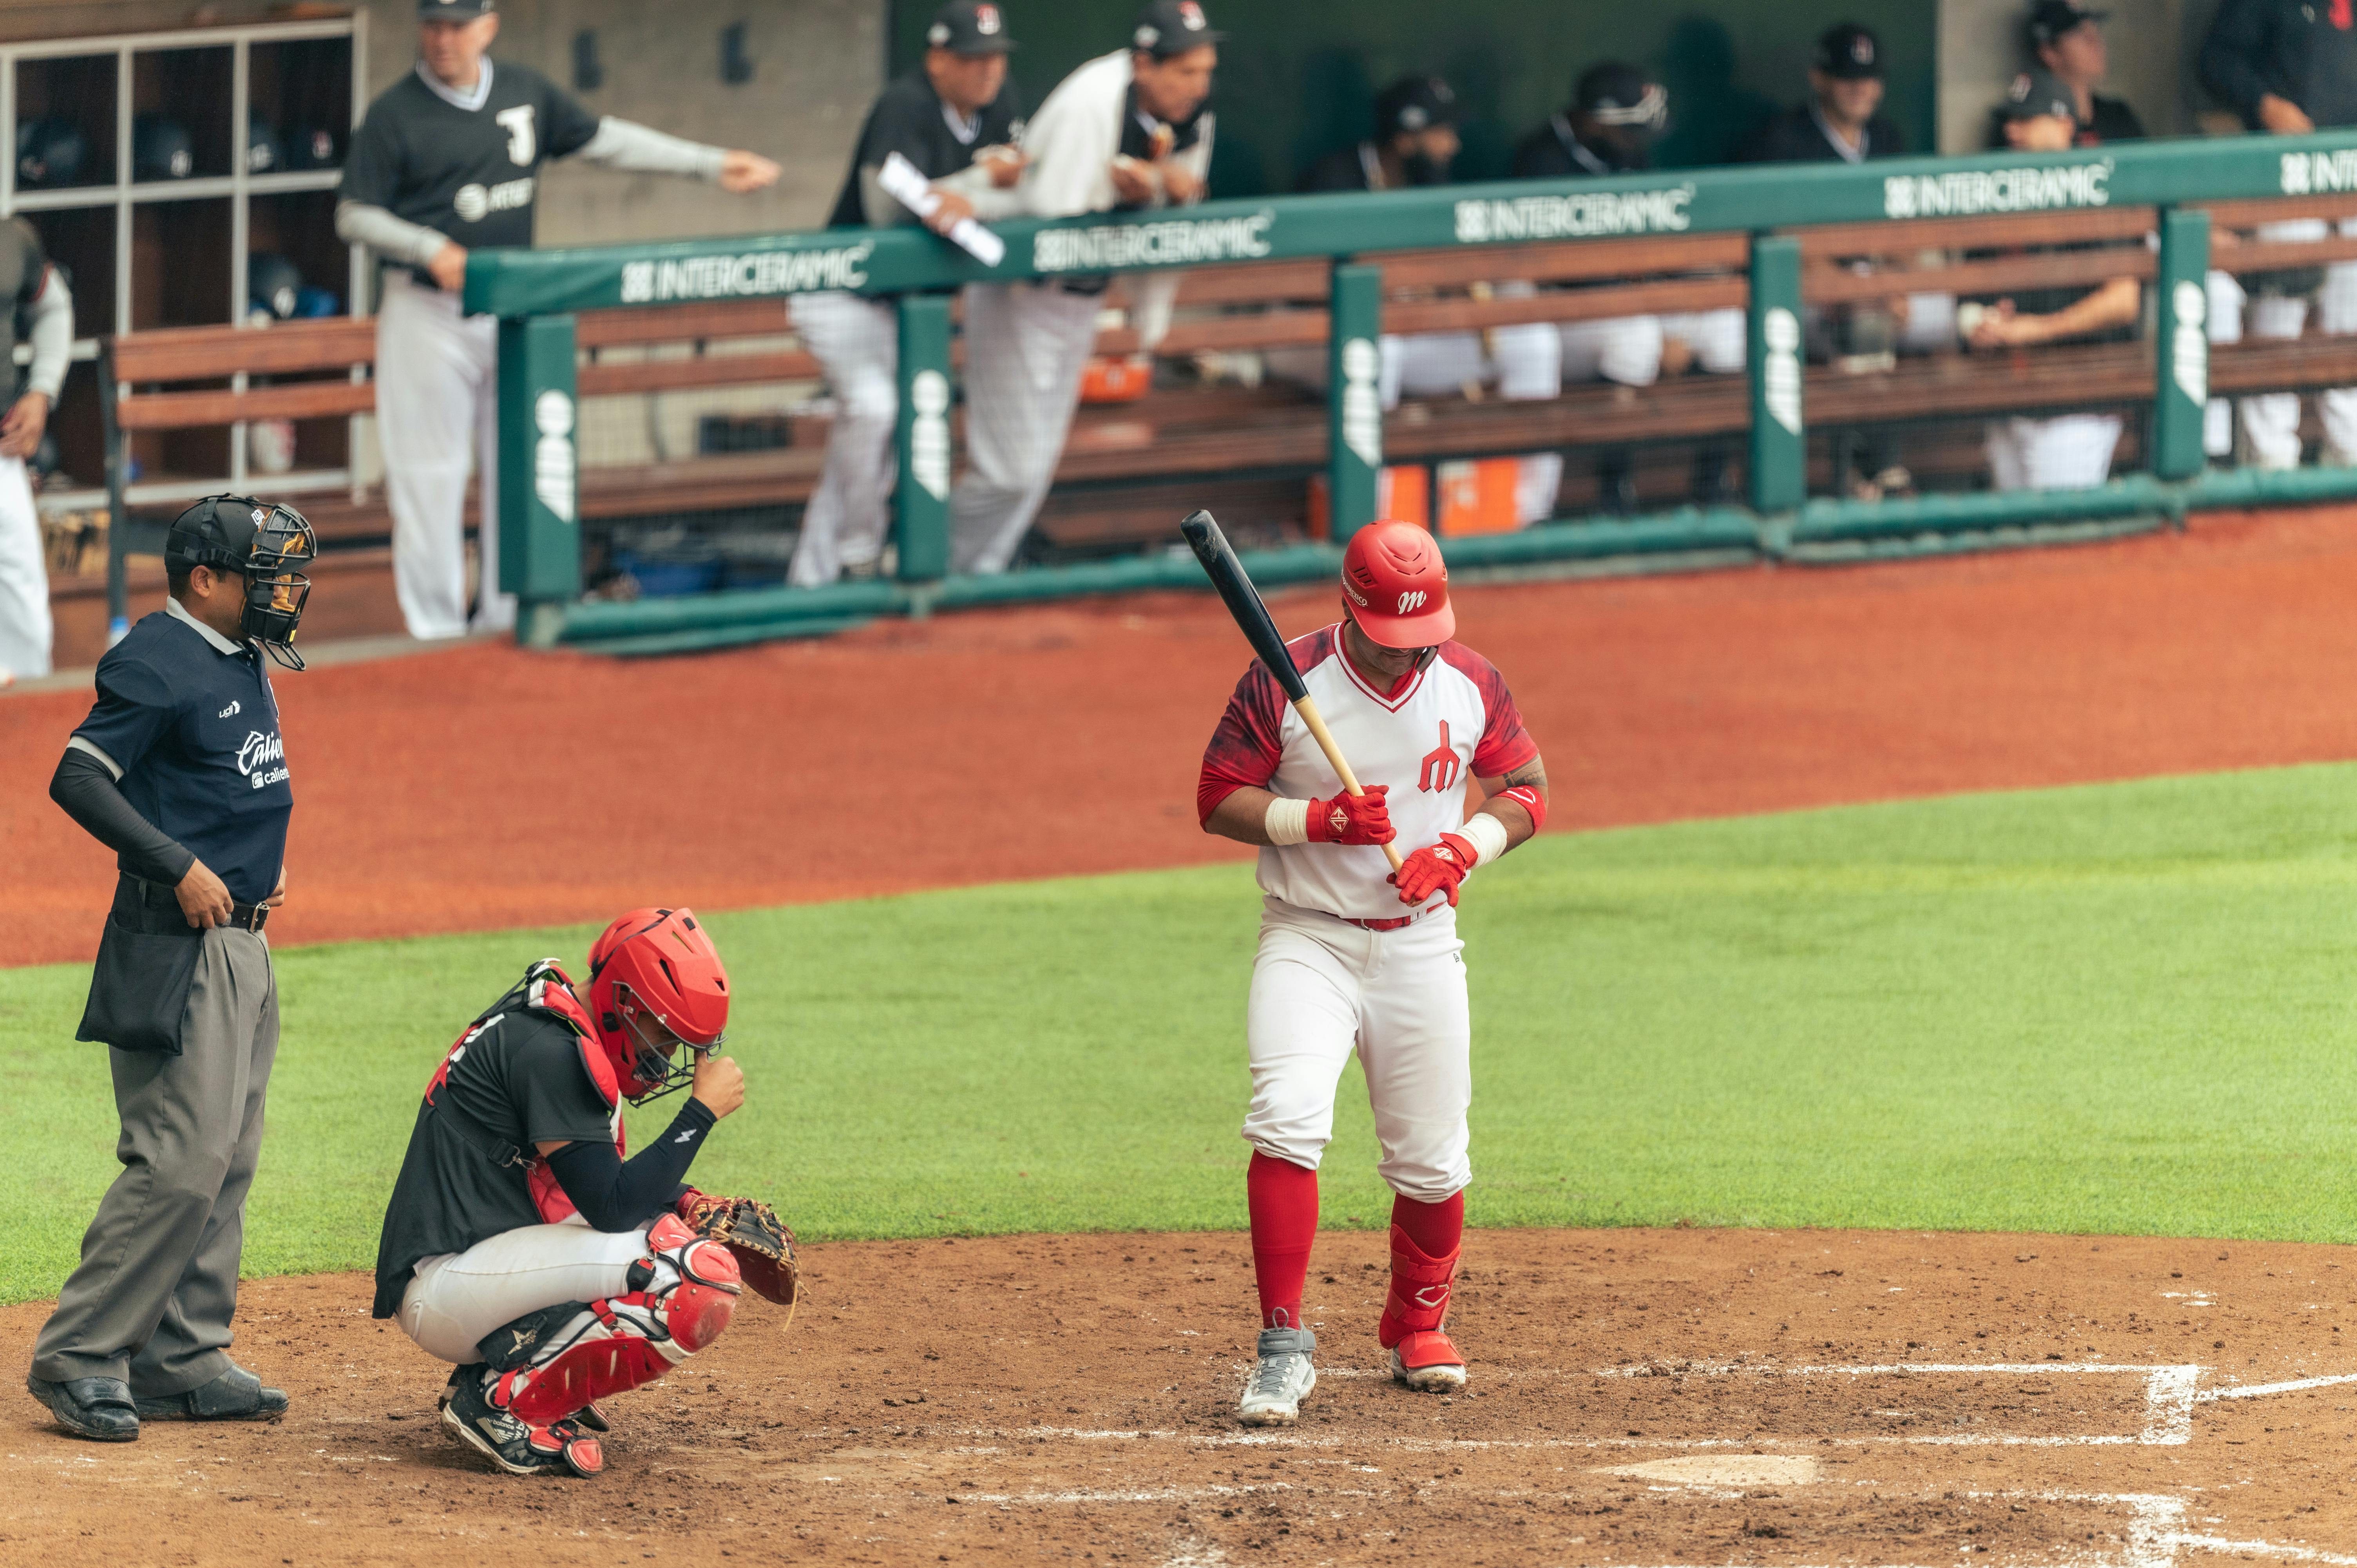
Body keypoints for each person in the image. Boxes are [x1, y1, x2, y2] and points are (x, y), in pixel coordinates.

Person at [1195, 520, 1549, 1425]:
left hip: (1420, 942)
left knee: (1433, 1160)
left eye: (1422, 642)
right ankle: (1282, 1344)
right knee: (1285, 1119)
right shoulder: (1284, 679)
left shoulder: (1471, 682)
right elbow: (1218, 797)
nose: (1409, 662)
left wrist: (1462, 849)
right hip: (1307, 938)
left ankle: (1416, 1323)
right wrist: (1318, 822)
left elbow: (1526, 788)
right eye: (1394, 646)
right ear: (1351, 611)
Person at [336, 0, 781, 640]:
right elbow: (354, 214)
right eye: (433, 24)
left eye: (457, 25)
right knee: (427, 478)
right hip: (427, 310)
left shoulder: (523, 91)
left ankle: (504, 618)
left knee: (514, 464)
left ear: (488, 26)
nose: (443, 38)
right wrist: (426, 245)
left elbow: (605, 141)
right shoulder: (394, 112)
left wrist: (707, 163)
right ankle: (433, 633)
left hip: (512, 310)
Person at [27, 495, 316, 1442]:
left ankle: (180, 1352)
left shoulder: (235, 655)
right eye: (266, 573)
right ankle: (79, 1353)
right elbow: (78, 775)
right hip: (177, 943)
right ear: (205, 579)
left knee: (228, 1157)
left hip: (245, 941)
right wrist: (179, 863)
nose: (286, 589)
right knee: (179, 1160)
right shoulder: (158, 654)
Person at [374, 908, 773, 1478]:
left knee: (670, 1234)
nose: (668, 1058)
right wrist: (699, 1115)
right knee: (693, 1277)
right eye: (664, 1034)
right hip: (447, 1285)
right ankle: (499, 1403)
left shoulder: (556, 1023)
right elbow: (611, 1207)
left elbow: (588, 1178)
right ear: (625, 1002)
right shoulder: (552, 1050)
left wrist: (682, 1198)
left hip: (478, 1263)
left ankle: (532, 1365)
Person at [949, 0, 1218, 576]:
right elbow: (1051, 213)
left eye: (1205, 71)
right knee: (1009, 471)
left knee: (1035, 467)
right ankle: (932, 564)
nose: (1198, 86)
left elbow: (1182, 193)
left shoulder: (1189, 116)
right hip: (1020, 296)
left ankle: (977, 575)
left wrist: (1158, 188)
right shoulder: (1091, 100)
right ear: (1145, 63)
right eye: (1185, 72)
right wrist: (1135, 187)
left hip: (1080, 300)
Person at [791, 0, 1028, 588]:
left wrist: (988, 188)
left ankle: (813, 581)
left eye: (995, 59)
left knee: (873, 435)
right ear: (938, 59)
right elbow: (883, 210)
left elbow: (1024, 185)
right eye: (973, 59)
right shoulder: (906, 103)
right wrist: (977, 182)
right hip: (841, 294)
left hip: (906, 308)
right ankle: (858, 555)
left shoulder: (1002, 103)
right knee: (874, 410)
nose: (988, 72)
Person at [1276, 76, 1561, 525]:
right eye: (1440, 134)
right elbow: (1299, 290)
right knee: (1372, 351)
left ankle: (1529, 512)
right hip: (1309, 343)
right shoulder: (1335, 180)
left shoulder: (1433, 185)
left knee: (1532, 343)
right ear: (1406, 138)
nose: (1451, 146)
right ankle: (1367, 525)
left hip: (1405, 340)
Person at [1515, 63, 1740, 509]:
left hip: (1632, 300)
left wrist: (1666, 303)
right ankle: (1614, 493)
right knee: (1636, 337)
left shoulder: (1626, 154)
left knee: (1724, 323)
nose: (1639, 141)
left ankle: (1711, 487)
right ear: (1593, 121)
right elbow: (1565, 273)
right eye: (1629, 131)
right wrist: (1656, 325)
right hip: (1565, 313)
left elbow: (1651, 251)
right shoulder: (1540, 162)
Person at [1747, 24, 1933, 499]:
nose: (1861, 88)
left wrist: (1892, 282)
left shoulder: (1887, 137)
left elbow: (1906, 234)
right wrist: (1846, 289)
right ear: (1819, 78)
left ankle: (1869, 464)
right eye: (1848, 76)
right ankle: (1872, 466)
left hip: (1877, 289)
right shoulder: (1783, 140)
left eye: (1870, 78)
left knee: (1945, 316)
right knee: (1865, 323)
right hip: (1805, 296)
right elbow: (1781, 241)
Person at [1966, 69, 2142, 491]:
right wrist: (1985, 321)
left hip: (2078, 398)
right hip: (2010, 395)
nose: (2012, 129)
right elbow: (1975, 290)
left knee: (2059, 536)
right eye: (2011, 119)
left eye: (2026, 120)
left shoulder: (2098, 184)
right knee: (2014, 535)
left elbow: (2124, 299)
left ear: (2064, 126)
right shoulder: (2001, 191)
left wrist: (2037, 330)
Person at [2200, 0, 2357, 468]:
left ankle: (2347, 448)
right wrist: (2263, 102)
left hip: (2351, 177)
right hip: (2286, 175)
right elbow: (2214, 61)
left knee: (2351, 321)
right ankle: (2270, 454)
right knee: (2279, 317)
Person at [0, 218, 72, 684]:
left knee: (24, 603)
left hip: (1, 448)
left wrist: (41, 390)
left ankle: (31, 735)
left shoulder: (11, 240)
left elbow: (53, 307)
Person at [2027, 1, 2143, 144]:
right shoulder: (2022, 123)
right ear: (2049, 52)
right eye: (2080, 34)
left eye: (2096, 33)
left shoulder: (2118, 116)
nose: (2096, 43)